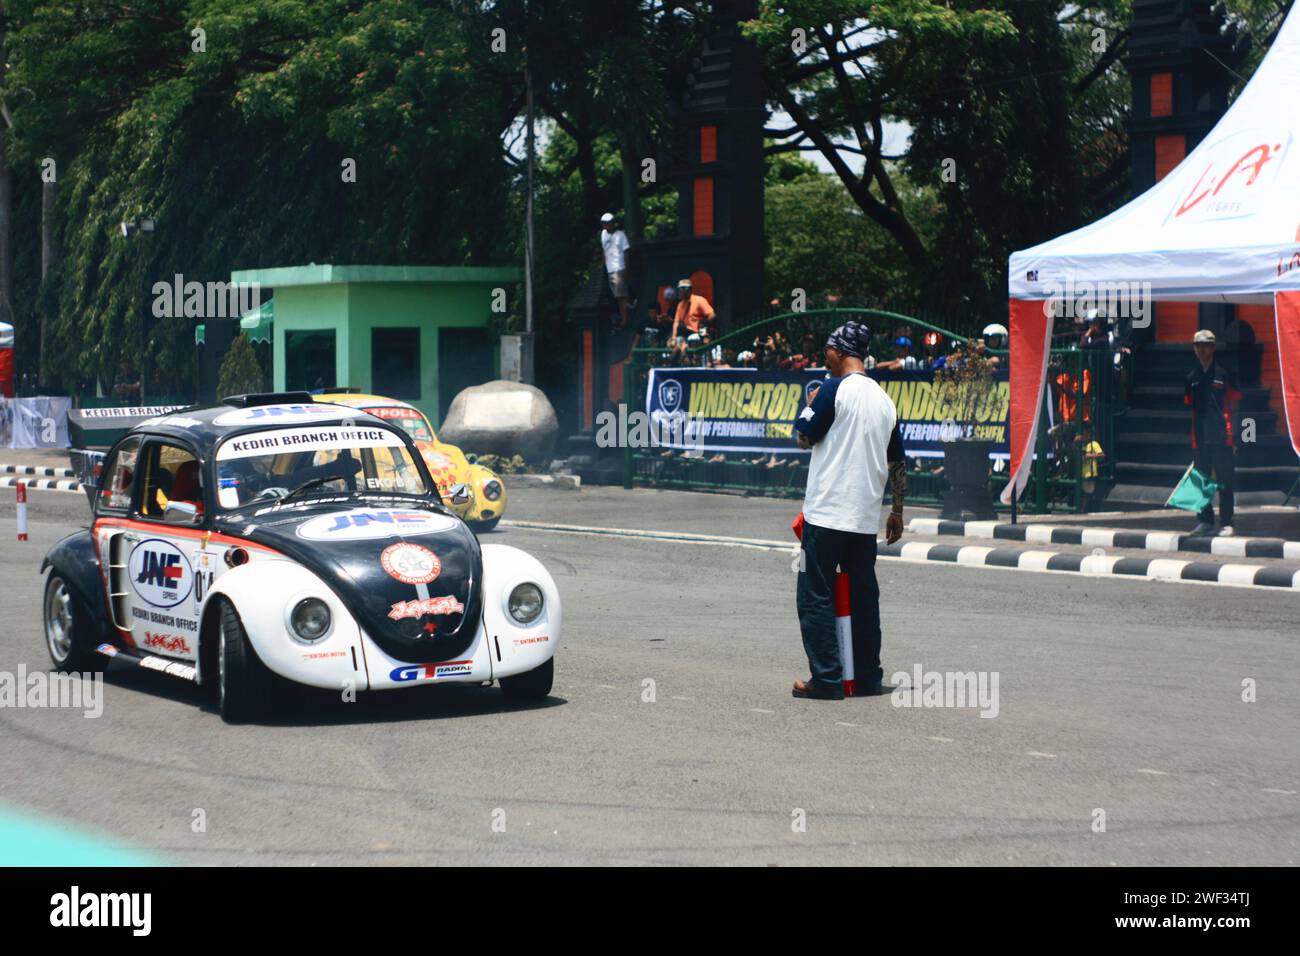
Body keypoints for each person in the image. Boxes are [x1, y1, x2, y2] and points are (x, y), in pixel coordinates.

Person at [791, 320, 905, 701]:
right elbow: (898, 463)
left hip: (826, 515)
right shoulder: (884, 400)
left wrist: (810, 408)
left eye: (827, 350)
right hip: (862, 520)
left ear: (839, 352)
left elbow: (804, 438)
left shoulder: (831, 390)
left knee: (815, 595)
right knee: (863, 596)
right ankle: (869, 676)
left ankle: (826, 679)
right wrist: (897, 512)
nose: (825, 356)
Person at [1185, 329, 1242, 536]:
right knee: (1202, 482)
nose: (1202, 349)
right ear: (1194, 349)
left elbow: (1236, 405)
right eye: (1198, 345)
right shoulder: (1191, 377)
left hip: (1223, 436)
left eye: (1206, 345)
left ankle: (1227, 522)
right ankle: (1205, 521)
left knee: (1225, 481)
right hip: (1200, 437)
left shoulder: (1224, 373)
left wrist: (1240, 436)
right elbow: (1190, 407)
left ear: (1213, 347)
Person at [599, 213, 632, 328]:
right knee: (616, 296)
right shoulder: (603, 234)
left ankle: (625, 319)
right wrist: (602, 265)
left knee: (621, 296)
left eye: (609, 222)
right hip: (610, 269)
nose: (608, 225)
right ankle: (620, 317)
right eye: (605, 223)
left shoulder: (620, 235)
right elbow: (604, 250)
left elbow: (626, 251)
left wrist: (626, 269)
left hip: (619, 267)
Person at [670, 278, 715, 344]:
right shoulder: (680, 305)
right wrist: (673, 338)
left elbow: (712, 315)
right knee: (676, 342)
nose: (681, 291)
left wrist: (703, 327)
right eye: (680, 289)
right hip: (685, 333)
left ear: (689, 290)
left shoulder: (699, 300)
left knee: (693, 340)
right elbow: (676, 322)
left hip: (697, 333)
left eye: (683, 288)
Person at [1076, 423, 1104, 511]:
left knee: (1087, 493)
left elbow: (1102, 455)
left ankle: (1082, 509)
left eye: (1084, 434)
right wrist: (1075, 441)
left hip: (1089, 472)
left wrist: (1090, 456)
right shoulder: (1080, 444)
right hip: (1080, 472)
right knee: (1081, 491)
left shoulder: (1094, 444)